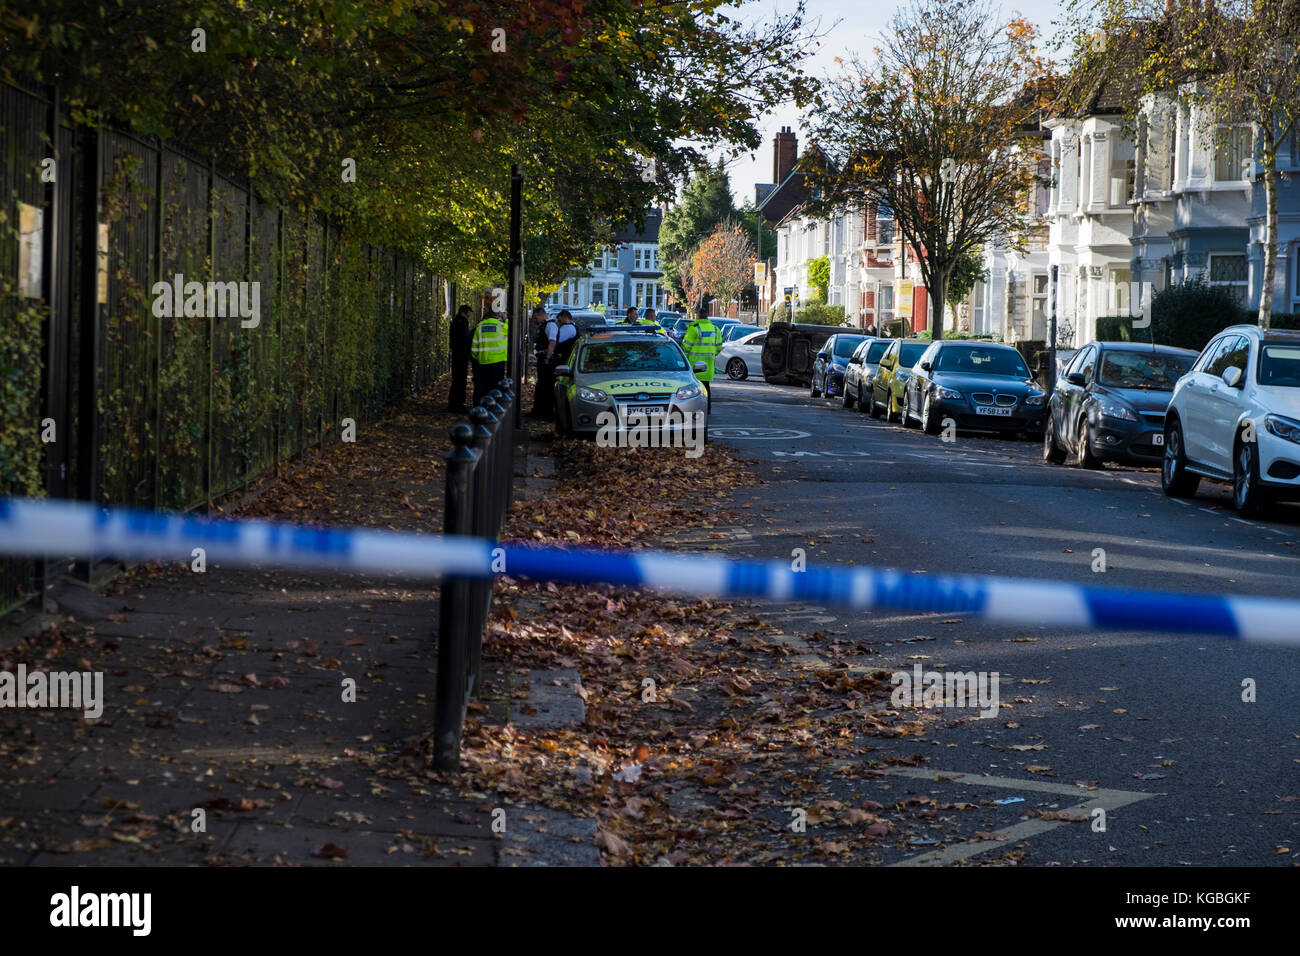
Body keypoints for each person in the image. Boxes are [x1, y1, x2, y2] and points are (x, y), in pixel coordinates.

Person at [532, 309, 577, 419]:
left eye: (535, 317)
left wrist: (548, 357)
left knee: (546, 386)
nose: (534, 320)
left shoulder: (551, 325)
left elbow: (553, 342)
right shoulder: (545, 326)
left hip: (548, 359)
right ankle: (538, 411)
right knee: (541, 385)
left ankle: (546, 412)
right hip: (544, 358)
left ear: (541, 315)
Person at [682, 306, 721, 411]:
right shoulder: (715, 329)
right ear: (707, 316)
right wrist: (711, 355)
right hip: (709, 364)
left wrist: (683, 360)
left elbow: (686, 346)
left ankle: (694, 409)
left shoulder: (694, 328)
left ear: (697, 316)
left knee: (694, 388)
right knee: (706, 387)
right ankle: (707, 408)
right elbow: (719, 347)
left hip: (694, 363)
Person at [470, 309, 509, 405]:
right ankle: (494, 409)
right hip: (498, 363)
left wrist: (477, 358)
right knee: (496, 388)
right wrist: (506, 319)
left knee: (482, 387)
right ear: (498, 315)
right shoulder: (502, 326)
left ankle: (480, 407)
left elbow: (474, 348)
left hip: (483, 362)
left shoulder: (480, 326)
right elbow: (512, 330)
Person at [448, 304, 472, 413]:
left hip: (456, 354)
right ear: (464, 312)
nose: (469, 314)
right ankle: (458, 404)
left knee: (456, 379)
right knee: (460, 380)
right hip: (462, 355)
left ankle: (453, 403)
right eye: (468, 312)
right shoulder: (463, 322)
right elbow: (465, 338)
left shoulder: (455, 321)